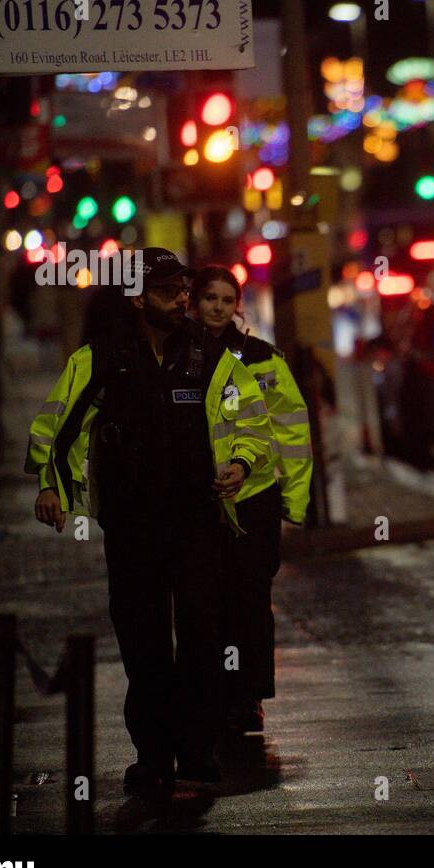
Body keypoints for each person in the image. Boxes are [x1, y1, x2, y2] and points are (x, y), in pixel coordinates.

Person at [26, 248, 273, 797]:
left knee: (202, 638)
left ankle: (197, 754)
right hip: (133, 524)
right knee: (144, 644)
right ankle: (154, 758)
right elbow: (57, 425)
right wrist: (51, 485)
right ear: (137, 297)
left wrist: (240, 464)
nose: (183, 299)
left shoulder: (212, 356)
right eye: (169, 291)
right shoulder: (103, 358)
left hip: (196, 523)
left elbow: (253, 424)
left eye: (185, 289)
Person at [191, 265, 313, 733]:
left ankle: (248, 697)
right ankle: (215, 691)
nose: (218, 307)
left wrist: (295, 501)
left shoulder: (262, 359)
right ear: (194, 302)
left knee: (250, 600)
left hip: (254, 497)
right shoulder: (182, 356)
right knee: (207, 601)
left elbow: (292, 431)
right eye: (209, 298)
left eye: (227, 299)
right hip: (201, 501)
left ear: (237, 305)